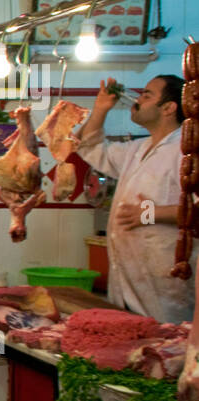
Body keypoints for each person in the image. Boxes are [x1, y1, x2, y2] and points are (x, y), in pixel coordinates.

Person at [75, 75, 195, 323]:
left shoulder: (187, 151)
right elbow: (90, 148)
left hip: (166, 288)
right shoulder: (139, 148)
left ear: (169, 108)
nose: (137, 99)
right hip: (129, 280)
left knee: (166, 351)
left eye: (147, 95)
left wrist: (148, 213)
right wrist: (100, 109)